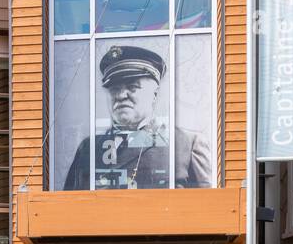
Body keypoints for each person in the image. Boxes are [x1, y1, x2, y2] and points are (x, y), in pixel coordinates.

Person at [64, 44, 212, 190]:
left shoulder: (185, 144)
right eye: (115, 89)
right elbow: (67, 208)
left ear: (154, 95)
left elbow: (209, 206)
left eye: (132, 87)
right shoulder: (89, 150)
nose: (121, 96)